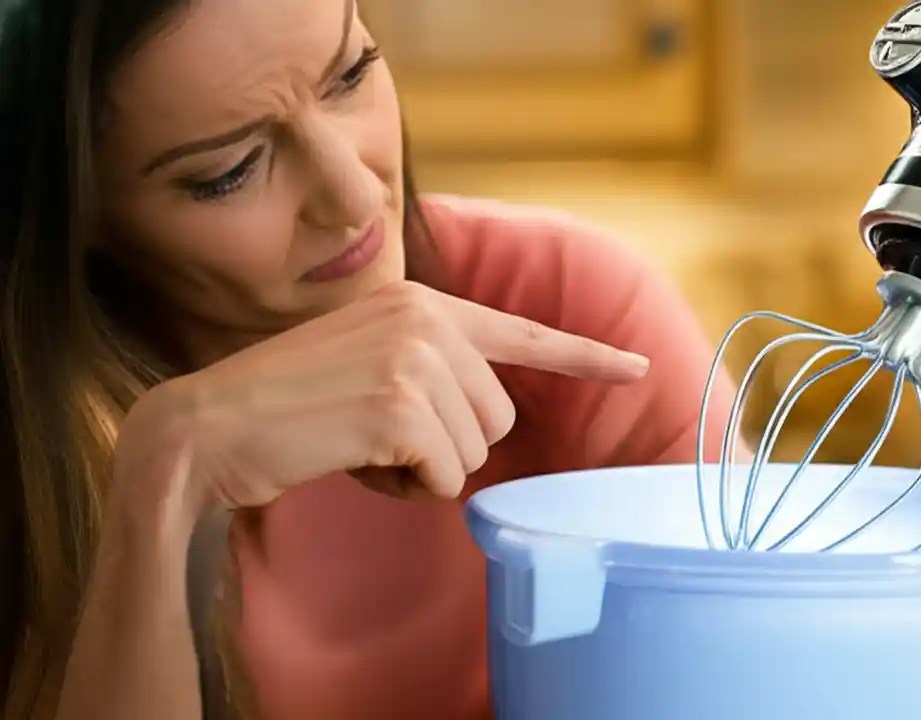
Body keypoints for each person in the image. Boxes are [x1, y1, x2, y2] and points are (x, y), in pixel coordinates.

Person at [0, 0, 741, 718]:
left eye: (351, 74)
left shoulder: (570, 307)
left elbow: (757, 672)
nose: (355, 196)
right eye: (231, 171)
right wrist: (165, 473)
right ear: (81, 210)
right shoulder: (33, 435)